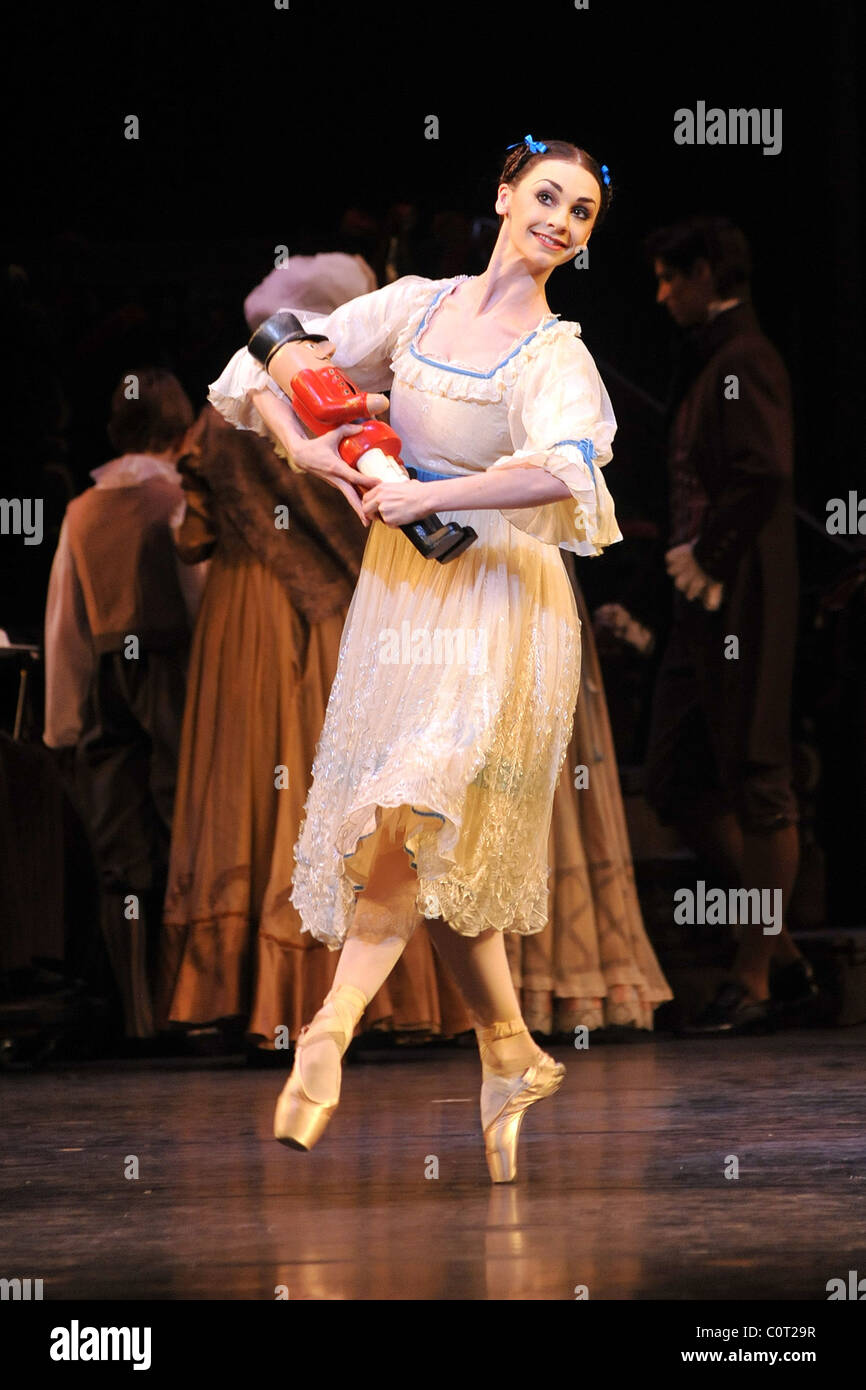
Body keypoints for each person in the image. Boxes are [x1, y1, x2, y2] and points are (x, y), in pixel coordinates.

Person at [209, 136, 622, 1182]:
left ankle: (325, 1035)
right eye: (544, 196)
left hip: (501, 602)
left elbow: (567, 479)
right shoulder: (420, 306)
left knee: (411, 807)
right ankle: (509, 1051)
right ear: (500, 196)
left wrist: (428, 492)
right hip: (408, 596)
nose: (558, 220)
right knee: (436, 855)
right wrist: (299, 448)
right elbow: (270, 351)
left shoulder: (553, 355)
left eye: (579, 212)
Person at [643, 216, 815, 1034]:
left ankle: (752, 973)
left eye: (674, 277)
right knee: (675, 775)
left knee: (756, 771)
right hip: (698, 598)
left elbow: (765, 473)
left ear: (710, 271)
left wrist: (709, 554)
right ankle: (778, 949)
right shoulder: (712, 357)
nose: (663, 292)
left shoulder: (746, 358)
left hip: (742, 591)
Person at [43, 368, 199, 1038]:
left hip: (108, 677)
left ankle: (138, 1015)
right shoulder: (178, 496)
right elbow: (201, 597)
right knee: (180, 829)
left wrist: (62, 721)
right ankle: (183, 1004)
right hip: (174, 671)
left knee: (121, 848)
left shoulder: (83, 508)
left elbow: (65, 622)